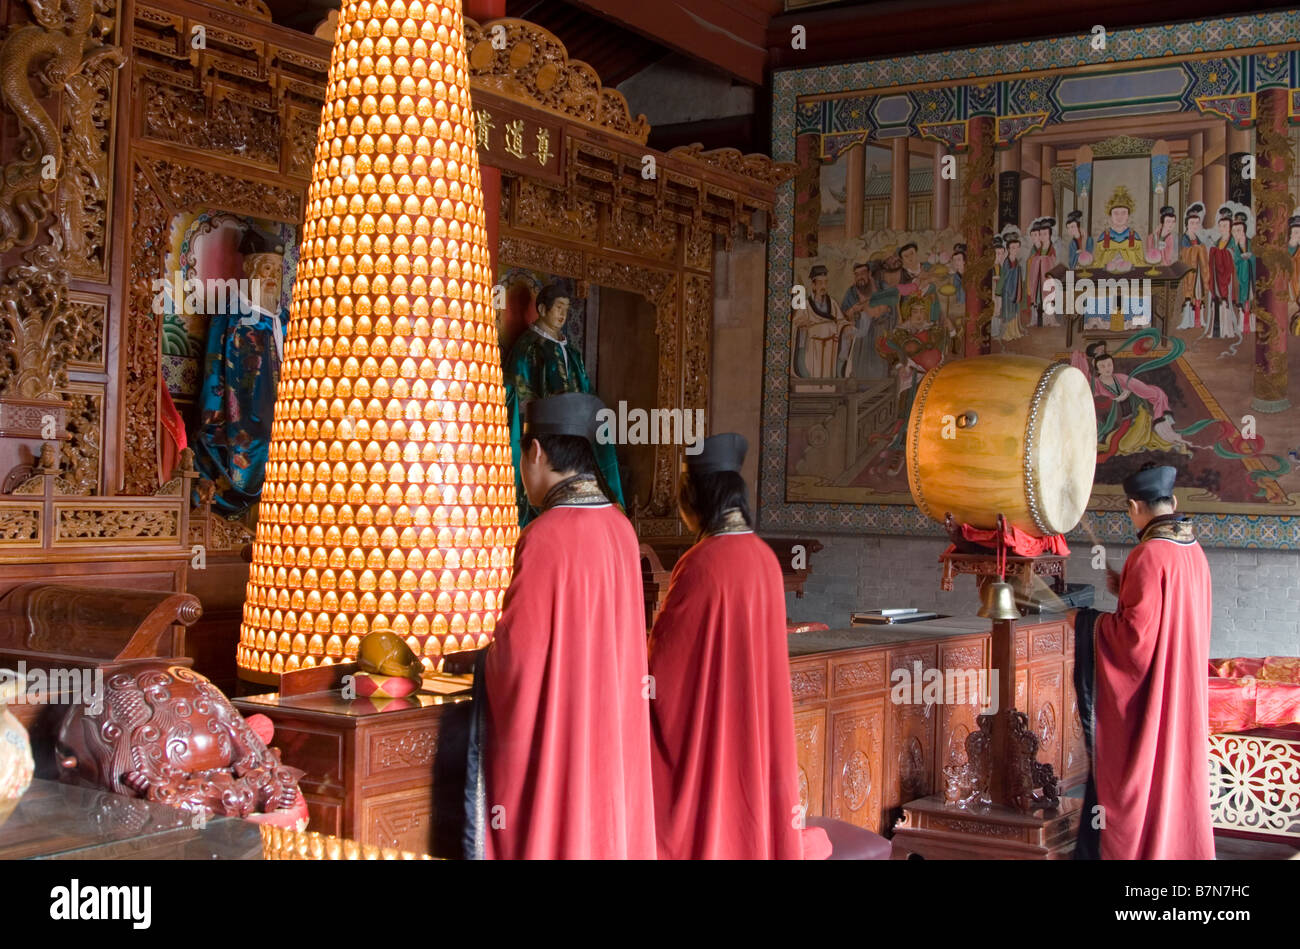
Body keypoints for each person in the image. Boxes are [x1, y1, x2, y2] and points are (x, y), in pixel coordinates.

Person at [447, 392, 656, 859]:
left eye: (522, 458)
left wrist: (480, 663)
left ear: (536, 452)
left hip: (563, 737)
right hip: (611, 730)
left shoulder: (544, 536)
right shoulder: (622, 529)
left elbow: (518, 659)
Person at [647, 434, 829, 860]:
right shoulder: (764, 557)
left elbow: (665, 669)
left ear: (696, 499)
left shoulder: (700, 561)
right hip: (754, 720)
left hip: (711, 724)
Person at [1071, 463, 1214, 860]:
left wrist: (1086, 622)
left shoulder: (1148, 554)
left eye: (1130, 510)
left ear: (1134, 506)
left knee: (1143, 779)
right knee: (1178, 774)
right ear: (1174, 502)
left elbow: (1133, 640)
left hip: (1156, 694)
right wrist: (1126, 588)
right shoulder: (1192, 549)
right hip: (1182, 685)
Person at [503, 283, 625, 527]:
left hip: (576, 430)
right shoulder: (529, 346)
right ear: (541, 308)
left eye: (566, 310)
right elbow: (518, 391)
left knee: (603, 435)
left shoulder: (573, 352)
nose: (562, 315)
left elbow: (585, 389)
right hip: (545, 432)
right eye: (558, 308)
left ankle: (603, 506)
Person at [192, 227, 289, 516]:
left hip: (284, 419)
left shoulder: (285, 320)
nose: (272, 276)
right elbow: (214, 373)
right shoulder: (231, 316)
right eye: (266, 267)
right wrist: (213, 418)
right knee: (254, 444)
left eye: (278, 269)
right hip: (242, 420)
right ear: (249, 268)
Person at [792, 264, 853, 378]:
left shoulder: (832, 303)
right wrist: (803, 325)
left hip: (831, 346)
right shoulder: (805, 305)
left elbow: (841, 321)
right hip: (813, 347)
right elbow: (796, 323)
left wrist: (846, 327)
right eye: (820, 283)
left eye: (825, 282)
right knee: (814, 377)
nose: (823, 286)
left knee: (828, 376)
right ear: (813, 285)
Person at [1177, 203, 1209, 330]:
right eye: (1192, 223)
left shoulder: (1197, 238)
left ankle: (1199, 320)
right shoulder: (1185, 238)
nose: (1195, 226)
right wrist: (1196, 249)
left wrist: (1199, 249)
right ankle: (1187, 321)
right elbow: (1184, 254)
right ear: (1187, 224)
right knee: (1188, 297)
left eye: (1197, 223)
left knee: (1198, 296)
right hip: (1188, 272)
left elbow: (1202, 253)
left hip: (1198, 272)